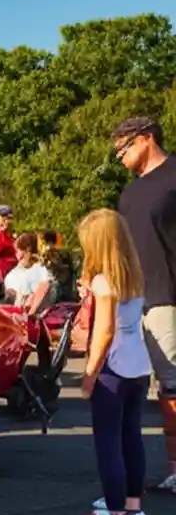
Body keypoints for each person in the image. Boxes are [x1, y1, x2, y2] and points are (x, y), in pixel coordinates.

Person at [75, 209, 151, 515]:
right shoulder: (134, 273)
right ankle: (132, 507)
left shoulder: (103, 281)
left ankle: (113, 514)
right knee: (131, 437)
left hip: (113, 367)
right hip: (139, 365)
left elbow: (104, 332)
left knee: (107, 441)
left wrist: (90, 374)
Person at [112, 116, 176, 493]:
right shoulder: (130, 194)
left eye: (124, 148)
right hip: (135, 300)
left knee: (172, 384)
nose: (119, 156)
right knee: (151, 388)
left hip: (168, 295)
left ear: (147, 138)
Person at [3, 232, 53, 313]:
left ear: (28, 250)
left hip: (32, 317)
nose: (18, 255)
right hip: (16, 315)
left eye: (21, 251)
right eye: (16, 251)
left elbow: (43, 289)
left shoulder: (40, 268)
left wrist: (30, 314)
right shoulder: (14, 272)